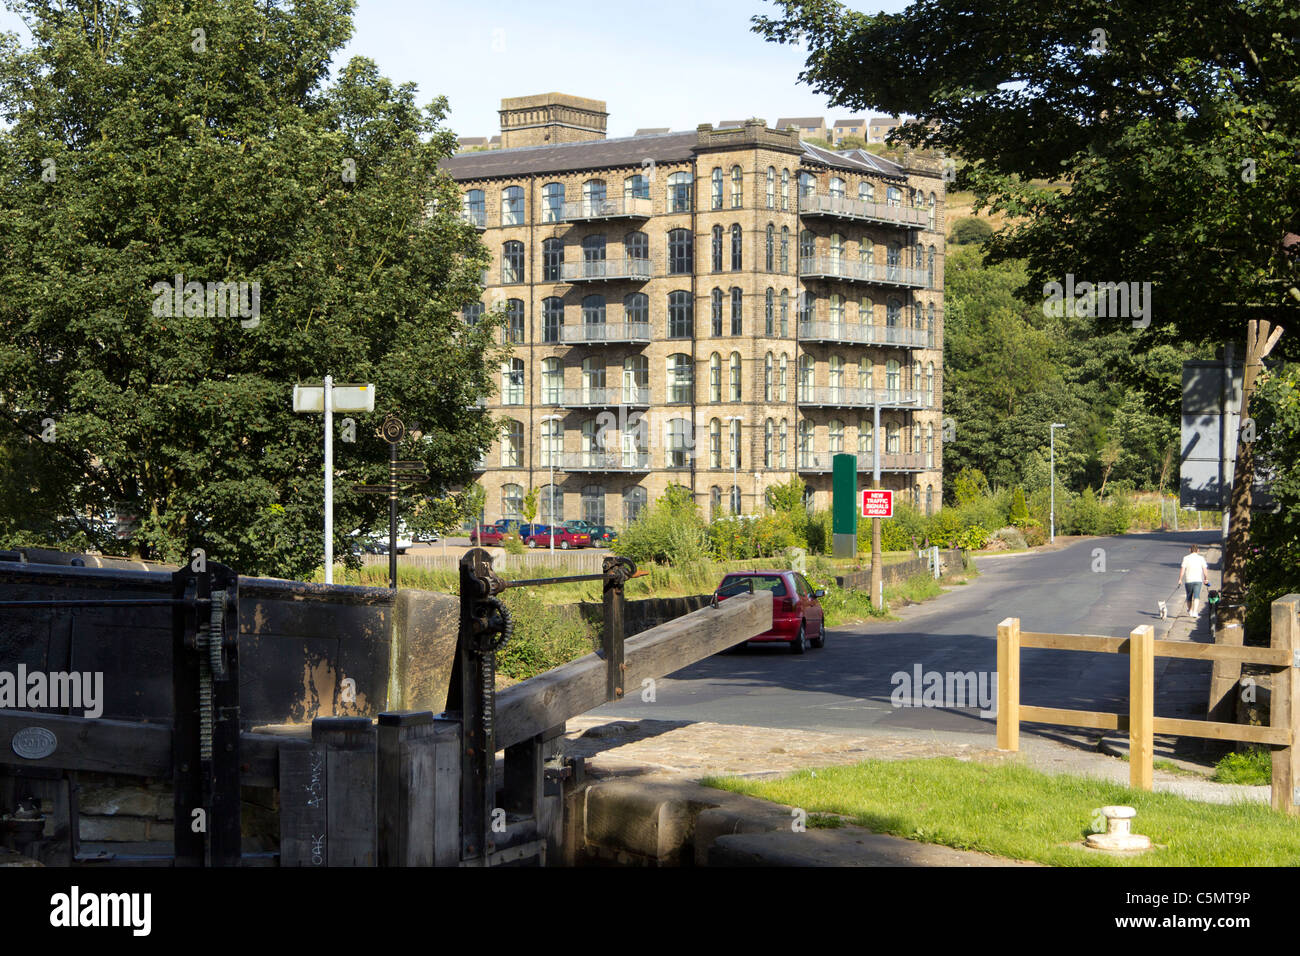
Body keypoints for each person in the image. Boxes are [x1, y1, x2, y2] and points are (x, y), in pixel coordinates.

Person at [1177, 543, 1210, 618]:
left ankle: (1190, 611)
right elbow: (1205, 570)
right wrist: (1206, 579)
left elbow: (1182, 570)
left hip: (1189, 580)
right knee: (1197, 596)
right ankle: (1195, 612)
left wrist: (1180, 579)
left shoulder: (1186, 558)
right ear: (1198, 550)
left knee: (1189, 596)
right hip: (1198, 580)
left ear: (1190, 550)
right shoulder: (1201, 558)